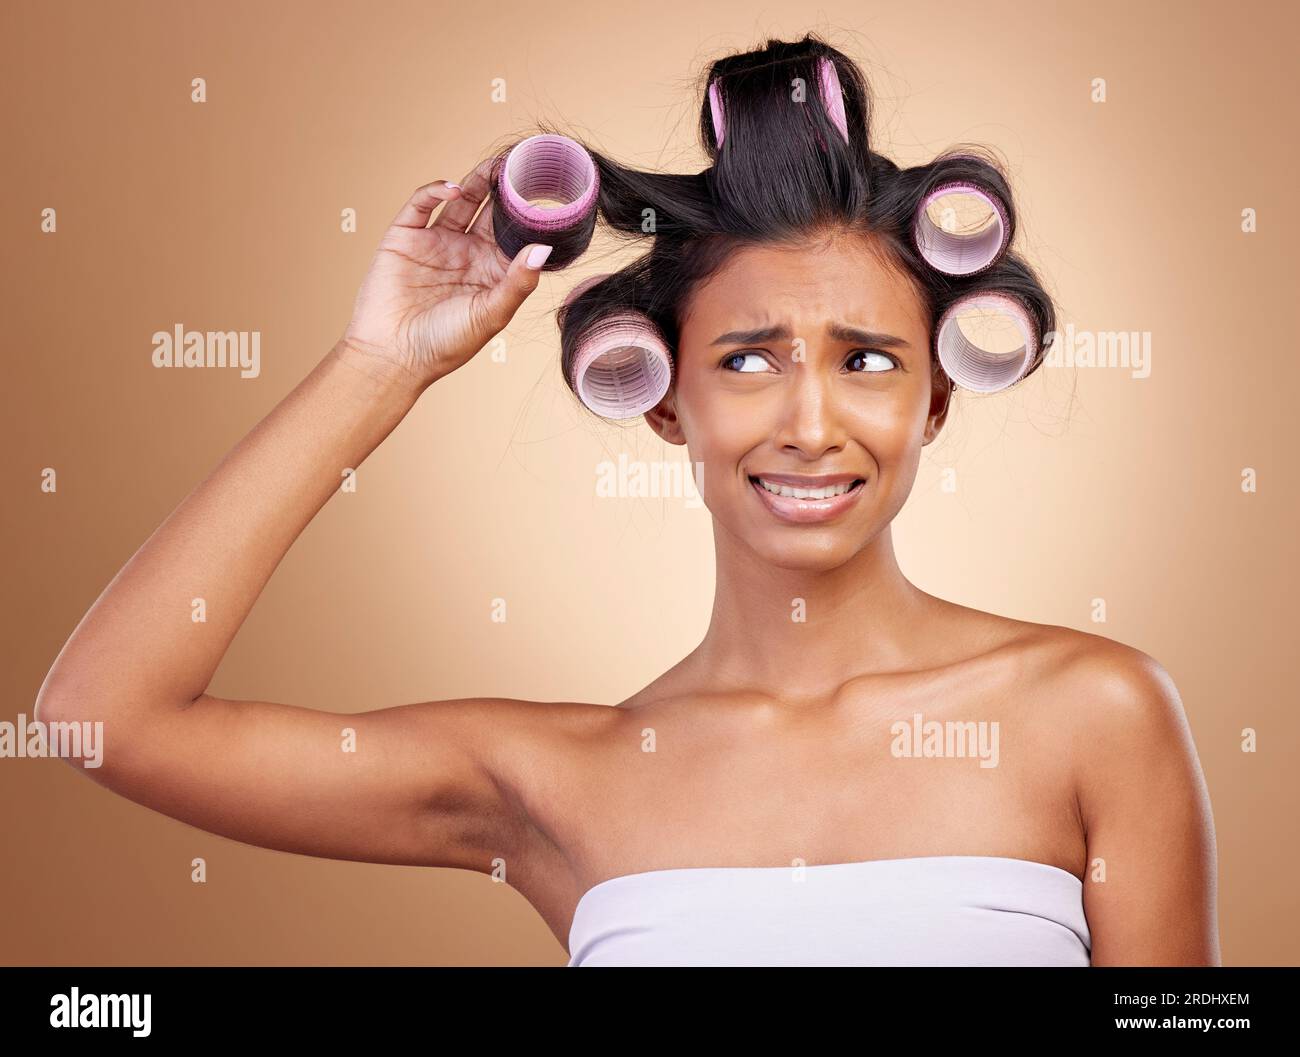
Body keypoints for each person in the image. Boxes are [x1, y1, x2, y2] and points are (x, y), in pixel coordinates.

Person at [35, 35, 1219, 967]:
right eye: (746, 360)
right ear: (660, 399)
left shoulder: (1096, 715)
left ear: (936, 400)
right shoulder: (556, 781)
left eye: (867, 361)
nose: (810, 423)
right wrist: (379, 363)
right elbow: (108, 717)